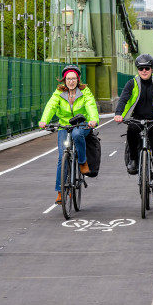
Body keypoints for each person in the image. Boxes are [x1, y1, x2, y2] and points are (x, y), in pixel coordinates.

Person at [114, 53, 153, 204]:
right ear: (137, 69)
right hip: (136, 119)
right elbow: (124, 98)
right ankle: (134, 159)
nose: (144, 71)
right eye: (141, 68)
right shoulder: (132, 83)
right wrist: (118, 113)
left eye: (147, 68)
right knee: (131, 131)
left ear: (151, 69)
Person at [39, 65, 99, 203]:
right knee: (62, 157)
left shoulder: (85, 92)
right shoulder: (58, 93)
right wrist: (44, 120)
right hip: (64, 126)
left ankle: (83, 163)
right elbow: (51, 106)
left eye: (73, 79)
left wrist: (93, 120)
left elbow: (91, 106)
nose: (71, 81)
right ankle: (60, 191)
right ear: (64, 80)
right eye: (68, 79)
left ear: (78, 80)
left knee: (78, 135)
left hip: (82, 124)